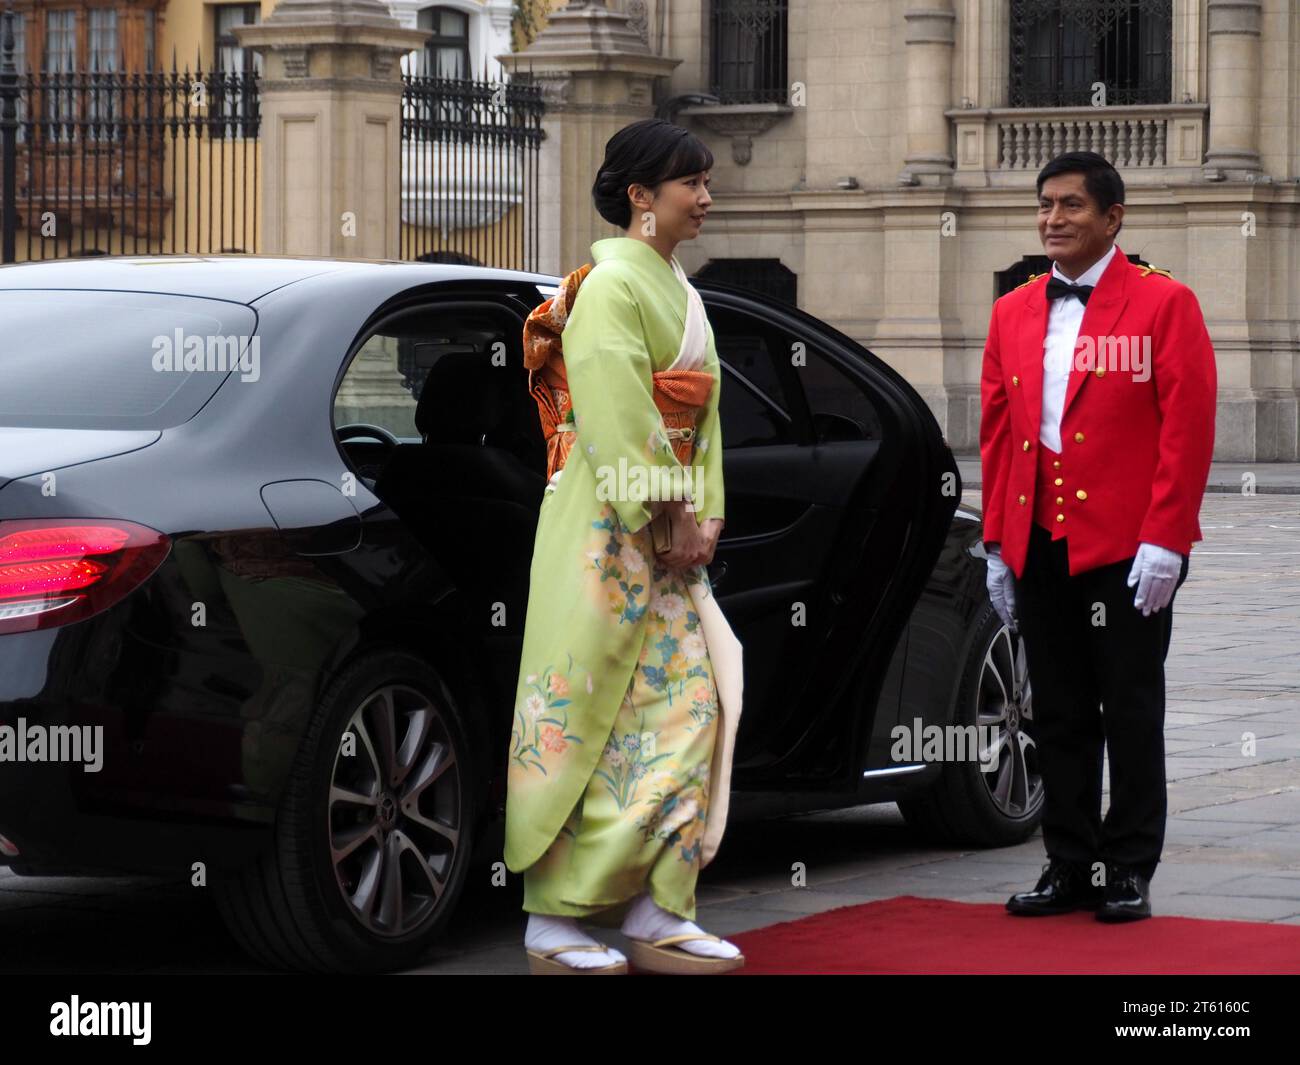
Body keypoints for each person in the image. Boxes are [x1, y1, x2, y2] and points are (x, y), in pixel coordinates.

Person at [504, 119, 746, 974]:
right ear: (641, 196)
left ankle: (656, 905)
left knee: (690, 711)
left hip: (667, 518)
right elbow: (610, 405)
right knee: (585, 713)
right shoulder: (610, 289)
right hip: (603, 522)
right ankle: (553, 921)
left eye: (707, 180)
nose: (706, 197)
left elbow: (703, 415)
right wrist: (664, 508)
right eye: (693, 182)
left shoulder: (680, 287)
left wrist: (705, 508)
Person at [979, 151, 1216, 922]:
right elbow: (997, 429)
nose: (1053, 219)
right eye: (1045, 205)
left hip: (1127, 545)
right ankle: (1068, 860)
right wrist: (996, 541)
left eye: (1071, 206)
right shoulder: (1012, 308)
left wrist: (1168, 537)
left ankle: (1130, 866)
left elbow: (1187, 426)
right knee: (1058, 709)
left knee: (1132, 706)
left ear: (1112, 218)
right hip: (1042, 538)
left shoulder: (1163, 303)